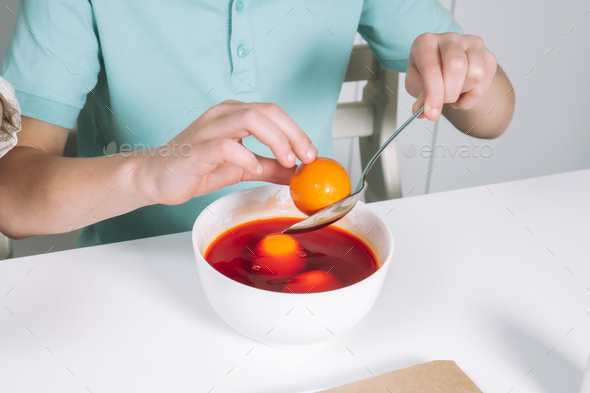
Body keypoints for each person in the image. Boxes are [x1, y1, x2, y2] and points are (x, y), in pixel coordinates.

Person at [0, 0, 515, 247]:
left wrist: (468, 76)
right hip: (131, 273)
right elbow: (9, 196)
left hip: (312, 242)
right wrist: (148, 173)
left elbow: (494, 118)